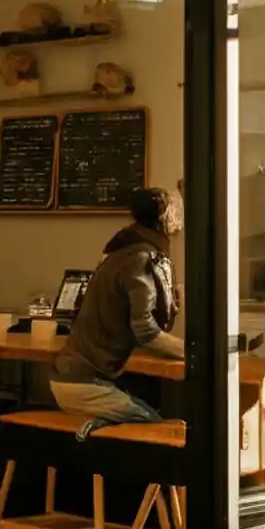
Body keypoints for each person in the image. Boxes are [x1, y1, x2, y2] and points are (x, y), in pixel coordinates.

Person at [51, 187, 185, 438]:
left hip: (70, 377)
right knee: (159, 431)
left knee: (150, 399)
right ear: (166, 219)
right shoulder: (142, 259)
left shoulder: (122, 249)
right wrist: (194, 352)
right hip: (84, 385)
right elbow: (146, 331)